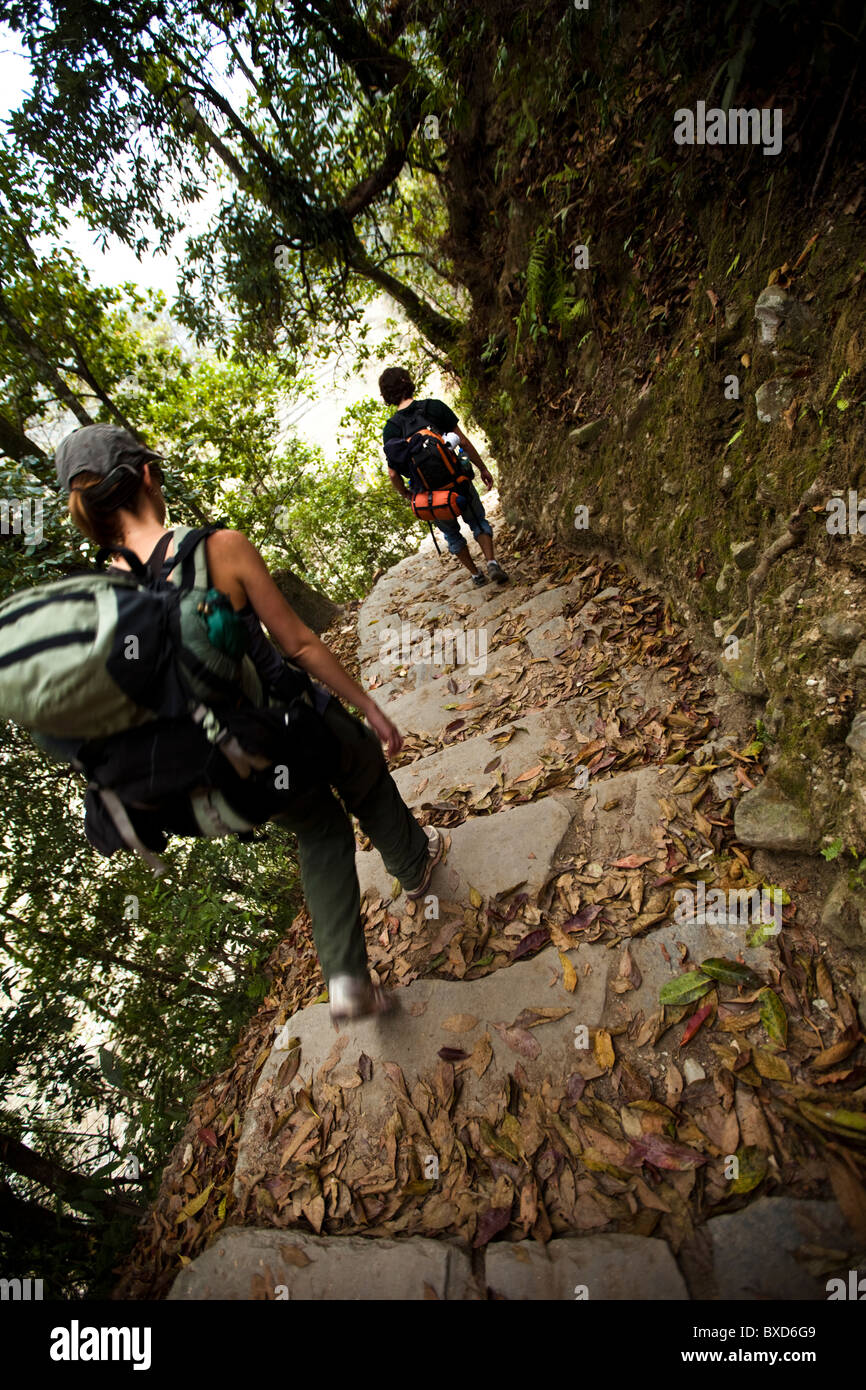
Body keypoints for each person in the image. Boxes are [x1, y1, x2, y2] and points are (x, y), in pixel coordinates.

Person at [54, 423, 445, 1027]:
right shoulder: (218, 549)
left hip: (221, 773)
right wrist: (367, 704)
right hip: (288, 725)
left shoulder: (100, 600)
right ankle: (415, 867)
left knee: (318, 829)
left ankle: (346, 982)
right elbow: (299, 645)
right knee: (360, 759)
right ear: (149, 478)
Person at [379, 367, 508, 588]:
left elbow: (392, 473)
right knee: (478, 522)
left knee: (452, 535)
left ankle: (476, 574)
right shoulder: (434, 407)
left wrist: (407, 494)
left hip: (430, 495)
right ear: (407, 382)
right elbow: (463, 442)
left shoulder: (391, 429)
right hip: (458, 482)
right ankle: (491, 561)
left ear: (387, 395)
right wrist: (482, 468)